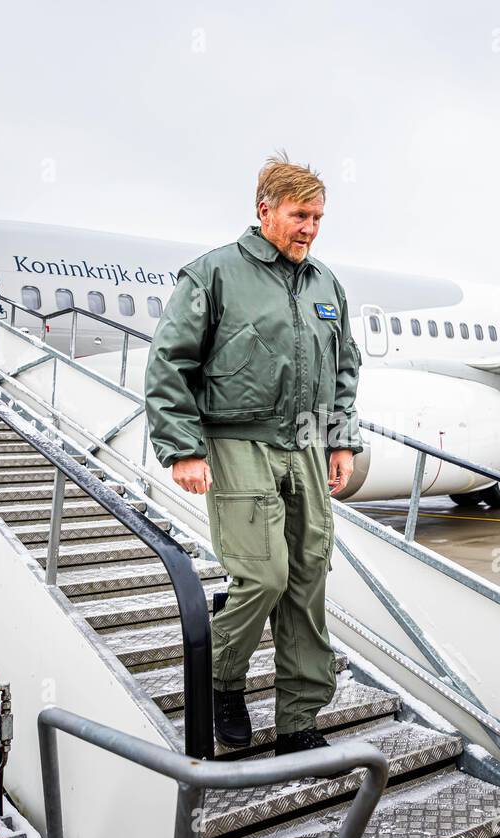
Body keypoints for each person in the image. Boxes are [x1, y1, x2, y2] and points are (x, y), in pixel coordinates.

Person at [145, 153, 363, 755]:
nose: (310, 229)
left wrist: (341, 439)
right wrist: (183, 448)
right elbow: (169, 362)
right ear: (265, 210)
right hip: (238, 438)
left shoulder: (326, 284)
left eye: (318, 218)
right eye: (300, 216)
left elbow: (344, 368)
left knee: (307, 578)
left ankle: (298, 722)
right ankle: (221, 681)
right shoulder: (213, 274)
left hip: (308, 444)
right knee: (264, 576)